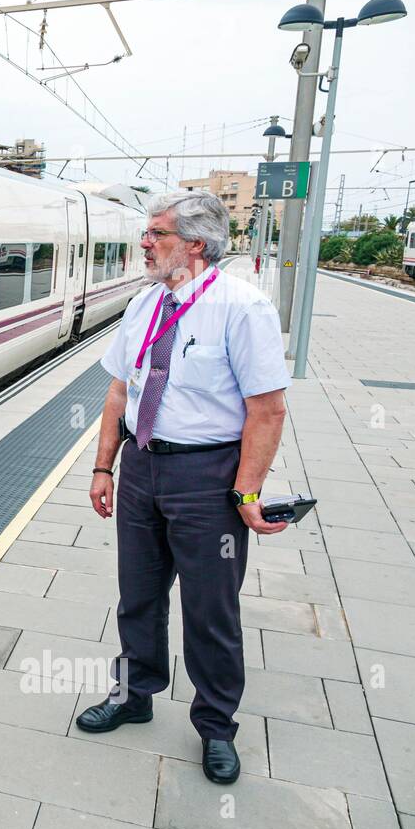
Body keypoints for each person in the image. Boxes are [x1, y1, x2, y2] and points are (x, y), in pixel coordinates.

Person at [81, 190, 290, 785]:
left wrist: (247, 493)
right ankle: (134, 695)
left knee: (210, 609)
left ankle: (216, 725)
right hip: (144, 468)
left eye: (157, 234)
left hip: (207, 477)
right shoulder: (145, 304)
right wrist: (104, 468)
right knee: (138, 596)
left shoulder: (242, 308)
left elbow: (267, 410)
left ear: (196, 245)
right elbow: (120, 393)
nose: (144, 243)